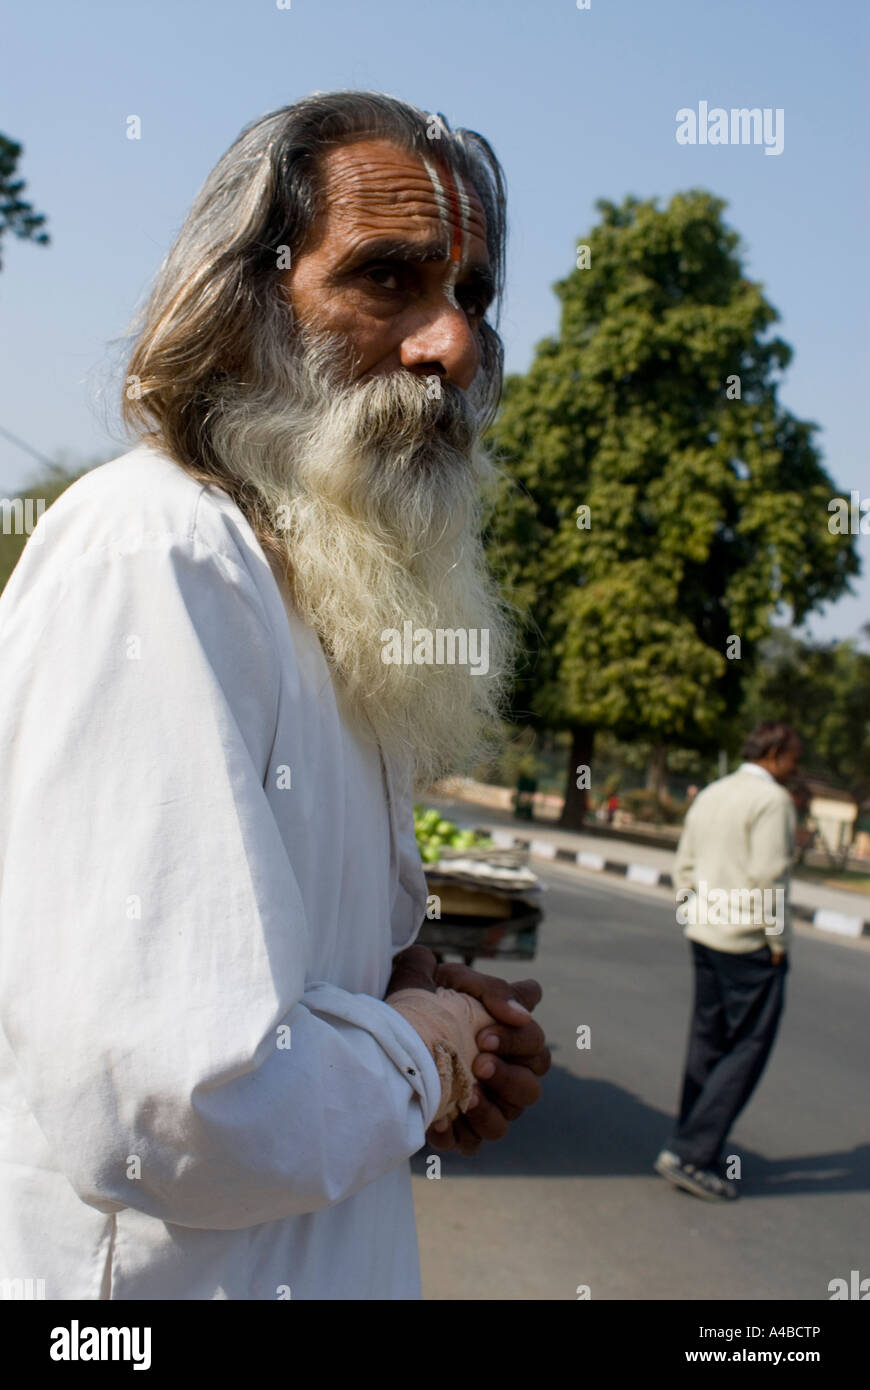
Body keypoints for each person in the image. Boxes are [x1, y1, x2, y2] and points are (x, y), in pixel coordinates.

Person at [0, 91, 551, 1301]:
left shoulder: (327, 593)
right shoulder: (159, 555)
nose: (450, 346)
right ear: (247, 305)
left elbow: (297, 982)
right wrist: (425, 1057)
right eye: (389, 280)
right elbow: (178, 1107)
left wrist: (409, 993)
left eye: (470, 298)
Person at [655, 723, 801, 1201]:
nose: (795, 767)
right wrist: (778, 942)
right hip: (749, 942)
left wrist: (691, 913)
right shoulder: (773, 801)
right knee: (745, 1049)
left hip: (705, 932)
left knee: (707, 1043)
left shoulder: (713, 792)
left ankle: (688, 1145)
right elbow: (768, 877)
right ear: (776, 753)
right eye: (793, 757)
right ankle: (692, 1155)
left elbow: (685, 866)